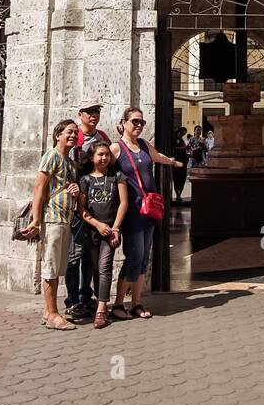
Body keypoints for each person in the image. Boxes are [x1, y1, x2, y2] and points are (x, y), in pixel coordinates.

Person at [111, 106, 185, 320]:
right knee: (133, 257)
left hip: (149, 211)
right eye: (134, 121)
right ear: (123, 123)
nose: (138, 126)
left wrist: (173, 162)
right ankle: (117, 304)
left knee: (143, 259)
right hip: (132, 212)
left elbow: (157, 156)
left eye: (141, 122)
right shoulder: (117, 148)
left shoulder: (143, 145)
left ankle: (137, 303)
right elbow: (103, 168)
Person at [20, 119, 80, 331]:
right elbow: (39, 188)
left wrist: (74, 191)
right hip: (52, 218)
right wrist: (36, 220)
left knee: (57, 268)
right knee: (51, 267)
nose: (73, 135)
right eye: (69, 132)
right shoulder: (51, 156)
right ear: (58, 135)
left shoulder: (71, 163)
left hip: (65, 219)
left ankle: (49, 311)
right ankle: (52, 313)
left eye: (75, 133)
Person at [64, 103, 110, 320]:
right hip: (75, 206)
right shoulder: (73, 138)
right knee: (74, 256)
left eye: (97, 112)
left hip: (95, 204)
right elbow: (61, 167)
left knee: (90, 257)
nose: (94, 115)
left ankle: (85, 297)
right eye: (89, 112)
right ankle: (72, 301)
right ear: (80, 115)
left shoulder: (102, 137)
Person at [78, 140, 130, 329]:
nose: (104, 157)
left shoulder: (117, 176)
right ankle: (100, 302)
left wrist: (115, 228)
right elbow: (82, 209)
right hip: (93, 231)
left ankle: (101, 310)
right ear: (92, 158)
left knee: (105, 265)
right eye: (100, 154)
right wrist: (97, 224)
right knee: (95, 268)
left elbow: (124, 203)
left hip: (111, 232)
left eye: (107, 154)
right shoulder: (85, 180)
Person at [172, 127, 190, 204]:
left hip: (183, 161)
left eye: (184, 133)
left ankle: (179, 194)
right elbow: (174, 149)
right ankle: (177, 194)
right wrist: (185, 148)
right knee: (177, 178)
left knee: (182, 178)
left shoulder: (182, 140)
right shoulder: (174, 140)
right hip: (177, 161)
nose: (182, 134)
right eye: (182, 132)